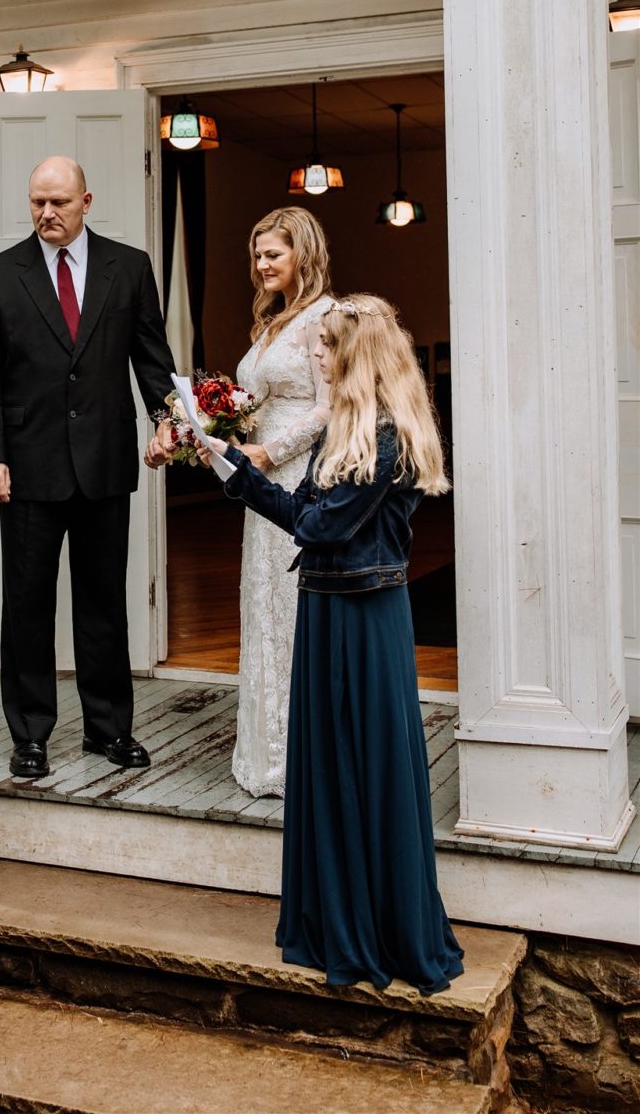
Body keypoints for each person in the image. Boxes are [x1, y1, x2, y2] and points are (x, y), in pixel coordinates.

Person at [199, 295, 464, 995]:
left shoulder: (383, 438)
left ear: (353, 357)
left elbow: (321, 527)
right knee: (326, 764)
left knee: (366, 765)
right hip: (324, 609)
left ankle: (377, 930)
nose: (313, 354)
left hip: (366, 619)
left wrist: (261, 483)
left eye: (324, 348)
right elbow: (298, 514)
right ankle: (331, 920)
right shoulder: (343, 430)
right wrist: (235, 470)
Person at [0, 155, 175, 779]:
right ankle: (30, 734)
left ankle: (109, 730)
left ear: (87, 201)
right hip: (25, 470)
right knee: (26, 606)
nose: (46, 214)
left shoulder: (129, 268)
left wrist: (169, 420)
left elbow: (153, 361)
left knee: (104, 602)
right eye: (36, 203)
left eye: (58, 202)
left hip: (105, 465)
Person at [146, 206, 334, 798]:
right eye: (256, 255)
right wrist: (180, 432)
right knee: (265, 603)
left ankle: (308, 754)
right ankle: (268, 752)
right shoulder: (273, 323)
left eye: (272, 254)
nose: (260, 265)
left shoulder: (327, 317)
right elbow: (241, 403)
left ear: (302, 253)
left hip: (297, 473)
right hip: (260, 478)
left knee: (295, 607)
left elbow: (330, 406)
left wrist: (269, 451)